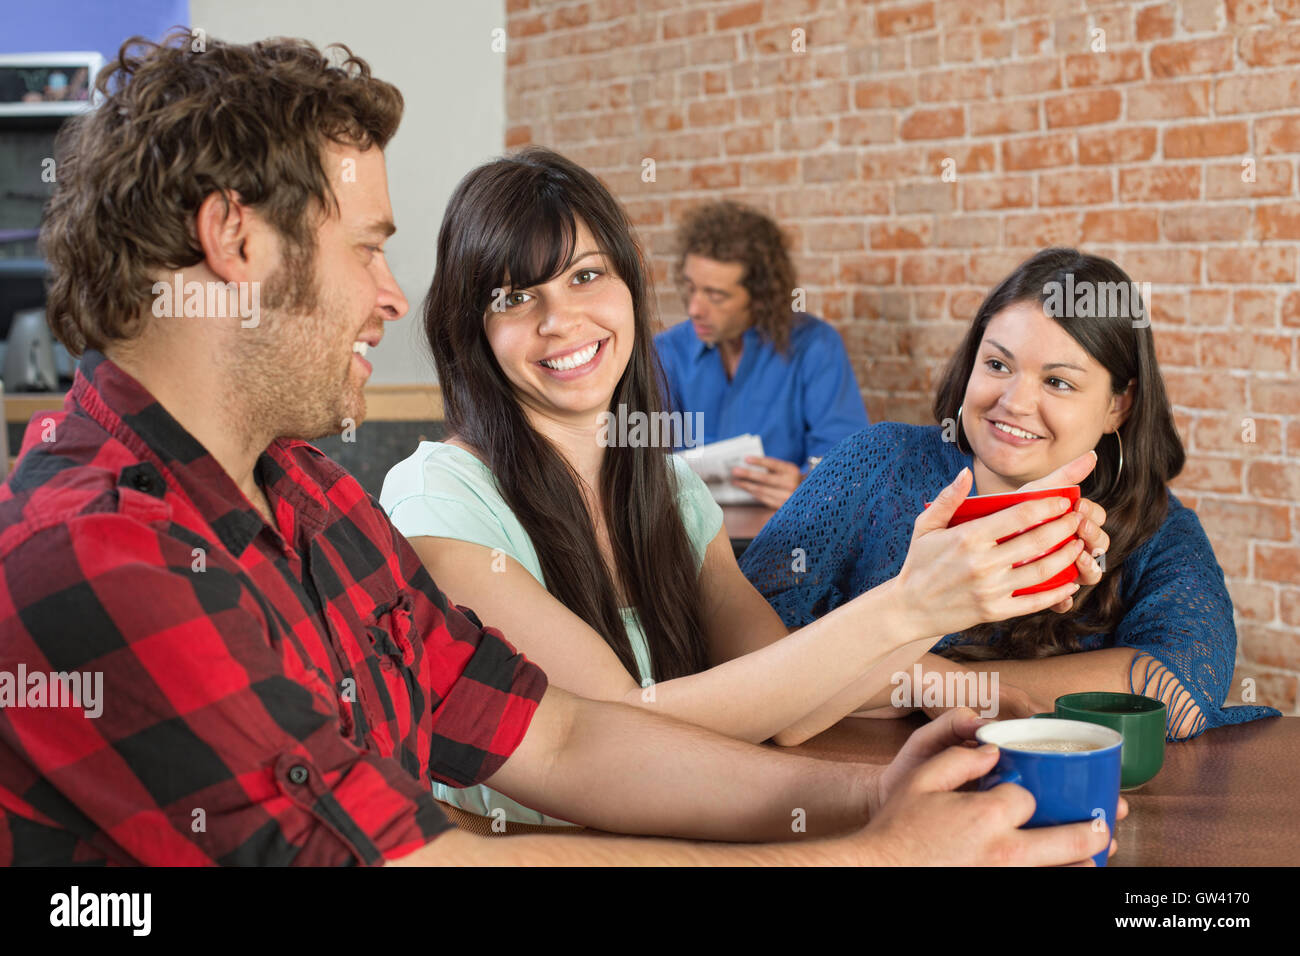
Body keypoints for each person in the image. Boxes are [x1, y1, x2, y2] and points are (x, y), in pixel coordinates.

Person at [381, 148, 1110, 829]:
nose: (560, 319)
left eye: (585, 275)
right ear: (470, 327)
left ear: (629, 285)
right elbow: (608, 732)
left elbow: (786, 703)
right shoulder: (437, 500)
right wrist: (909, 604)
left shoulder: (670, 490)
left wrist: (931, 612)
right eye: (515, 296)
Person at [740, 248, 1283, 741]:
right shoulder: (878, 461)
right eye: (997, 365)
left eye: (1058, 382)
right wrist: (943, 687)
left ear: (1119, 404)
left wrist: (917, 682)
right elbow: (741, 646)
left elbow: (1176, 691)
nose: (1015, 402)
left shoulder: (1159, 529)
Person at [653, 201, 868, 507]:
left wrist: (806, 485)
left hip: (788, 539)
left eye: (716, 296)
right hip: (687, 544)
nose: (694, 309)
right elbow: (645, 462)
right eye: (690, 288)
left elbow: (852, 468)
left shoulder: (816, 347)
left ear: (759, 298)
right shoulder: (666, 351)